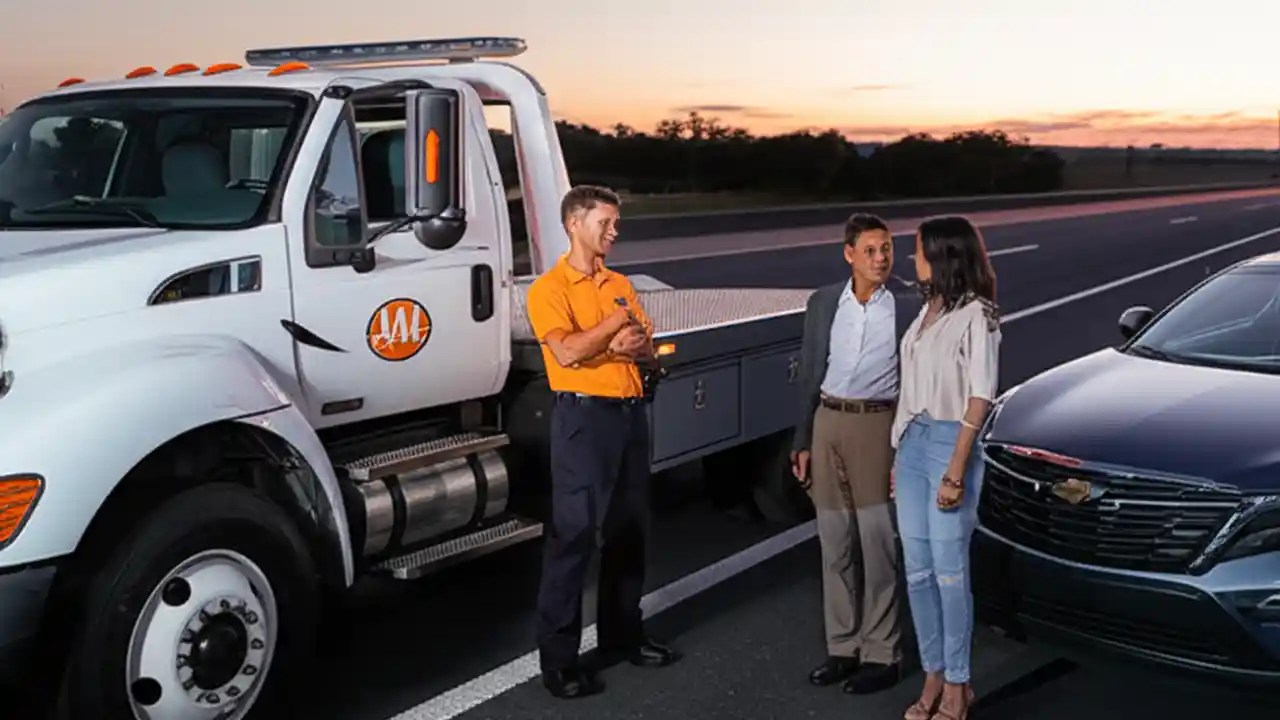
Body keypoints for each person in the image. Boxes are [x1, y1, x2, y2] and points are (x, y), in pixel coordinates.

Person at [525, 184, 681, 700]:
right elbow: (567, 354)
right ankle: (560, 662)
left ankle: (623, 636)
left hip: (631, 415)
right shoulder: (550, 289)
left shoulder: (620, 282)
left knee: (629, 531)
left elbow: (648, 352)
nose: (614, 231)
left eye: (616, 223)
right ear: (575, 223)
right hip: (583, 422)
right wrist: (615, 326)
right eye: (605, 222)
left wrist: (635, 350)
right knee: (573, 539)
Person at [790, 213, 915, 696]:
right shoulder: (823, 303)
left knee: (878, 541)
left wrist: (905, 446)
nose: (881, 258)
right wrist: (801, 439)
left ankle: (882, 653)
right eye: (870, 250)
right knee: (834, 542)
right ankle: (842, 647)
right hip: (827, 422)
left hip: (876, 425)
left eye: (886, 249)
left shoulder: (907, 303)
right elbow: (809, 372)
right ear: (849, 254)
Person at [891, 215, 1000, 720]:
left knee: (949, 573)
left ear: (942, 256)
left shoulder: (978, 315)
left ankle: (958, 684)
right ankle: (932, 673)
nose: (910, 259)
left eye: (916, 251)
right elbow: (909, 388)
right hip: (912, 443)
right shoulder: (929, 310)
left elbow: (981, 395)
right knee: (917, 573)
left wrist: (956, 468)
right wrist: (898, 456)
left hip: (948, 443)